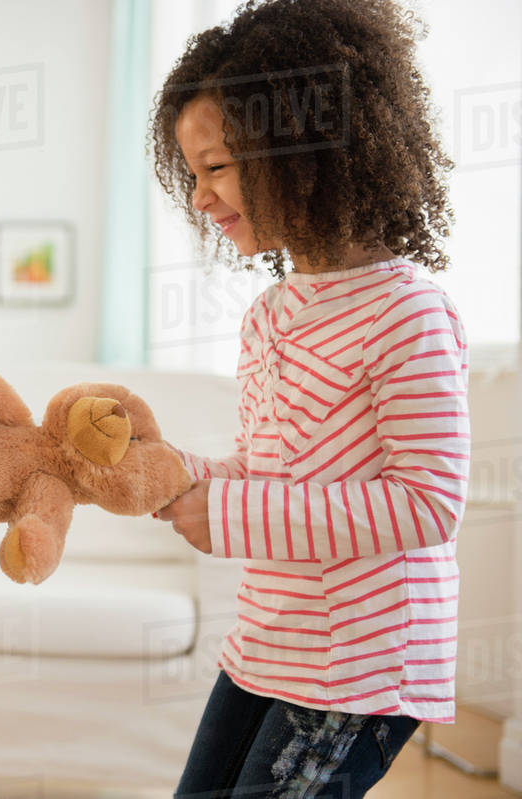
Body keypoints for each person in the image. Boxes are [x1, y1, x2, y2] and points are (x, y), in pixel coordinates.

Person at [149, 0, 466, 795]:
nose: (200, 198)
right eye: (193, 174)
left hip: (364, 664)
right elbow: (266, 470)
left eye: (217, 168)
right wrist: (168, 471)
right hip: (272, 643)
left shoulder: (407, 313)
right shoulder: (270, 314)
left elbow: (428, 502)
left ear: (303, 150)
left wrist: (227, 513)